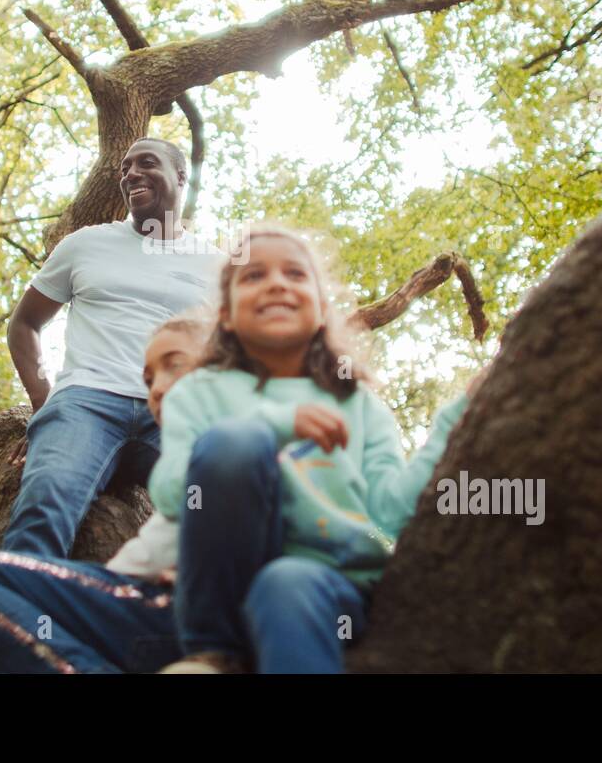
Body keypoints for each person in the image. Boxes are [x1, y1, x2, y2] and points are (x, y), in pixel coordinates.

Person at [148, 223, 472, 673]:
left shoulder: (359, 404)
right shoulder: (199, 393)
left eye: (296, 275)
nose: (277, 283)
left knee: (286, 585)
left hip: (328, 588)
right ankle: (213, 656)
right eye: (254, 276)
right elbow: (169, 491)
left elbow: (390, 510)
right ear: (225, 314)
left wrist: (457, 419)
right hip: (224, 594)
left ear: (321, 309)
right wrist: (278, 424)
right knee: (234, 442)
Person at [0, 313, 210, 673]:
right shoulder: (176, 472)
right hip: (134, 615)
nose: (157, 388)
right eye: (149, 379)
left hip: (192, 619)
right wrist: (46, 408)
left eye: (175, 366)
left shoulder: (246, 443)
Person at [2, 137, 223, 558]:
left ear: (180, 176)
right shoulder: (84, 244)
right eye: (124, 168)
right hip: (86, 404)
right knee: (45, 501)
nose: (131, 174)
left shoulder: (215, 265)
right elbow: (24, 323)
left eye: (146, 163)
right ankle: (23, 616)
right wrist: (44, 403)